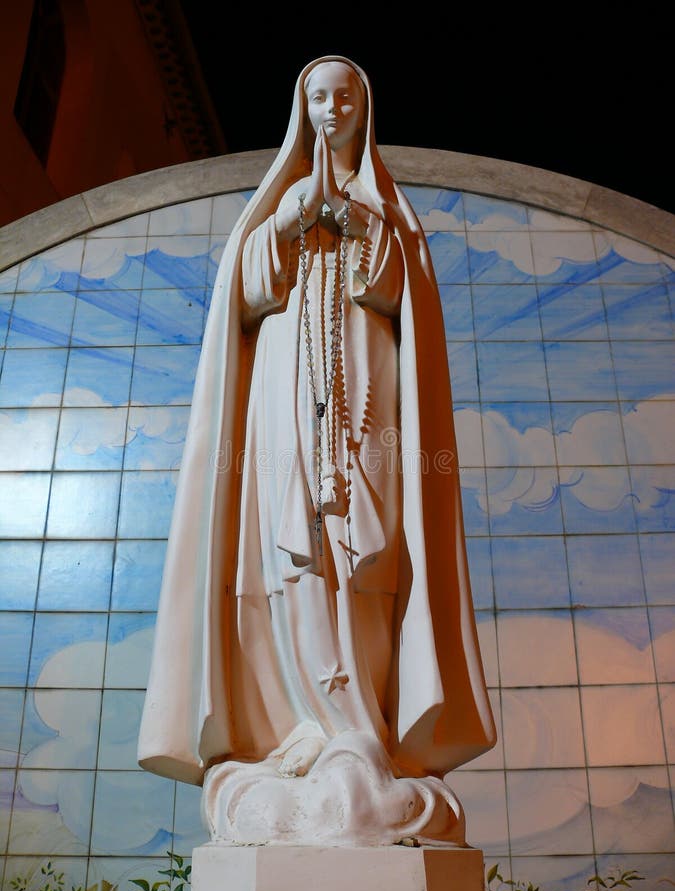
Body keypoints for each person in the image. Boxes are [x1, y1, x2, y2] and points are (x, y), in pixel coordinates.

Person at [138, 56, 495, 846]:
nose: (332, 110)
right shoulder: (278, 203)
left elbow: (403, 299)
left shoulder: (387, 210)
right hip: (282, 394)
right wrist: (289, 223)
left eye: (345, 97)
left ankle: (364, 729)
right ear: (302, 109)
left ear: (364, 108)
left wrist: (364, 228)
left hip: (369, 395)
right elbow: (246, 294)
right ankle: (304, 724)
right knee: (288, 544)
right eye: (318, 98)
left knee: (367, 548)